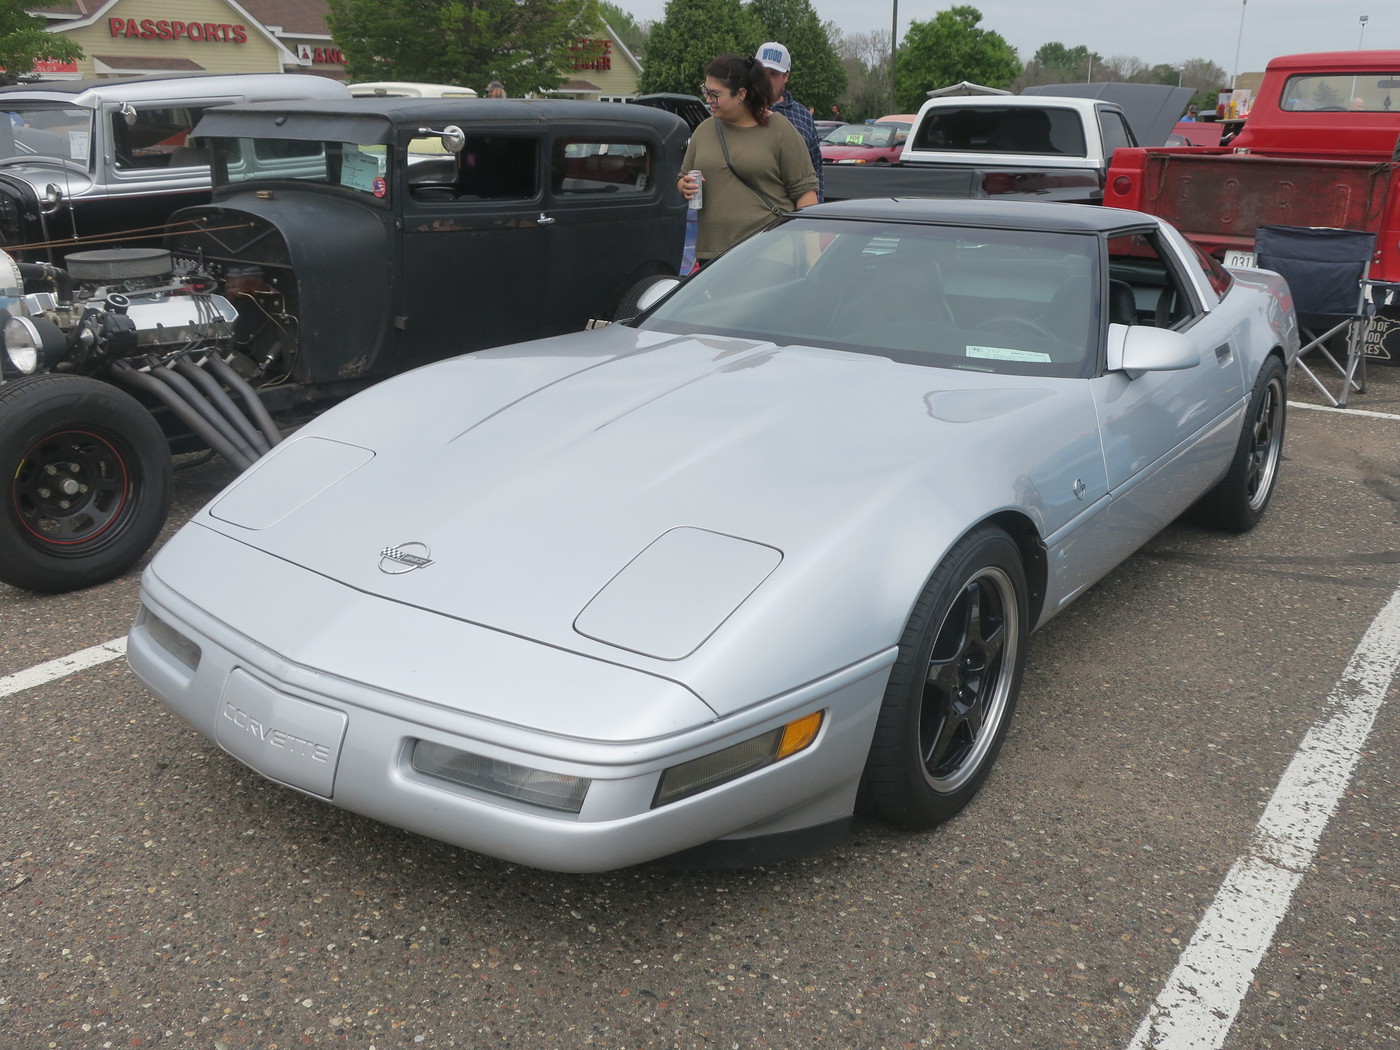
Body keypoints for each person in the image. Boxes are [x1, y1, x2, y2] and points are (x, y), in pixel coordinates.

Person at [676, 54, 818, 267]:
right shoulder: (704, 130)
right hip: (712, 255)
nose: (708, 100)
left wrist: (812, 258)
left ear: (741, 94)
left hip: (769, 253)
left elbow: (806, 194)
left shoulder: (779, 129)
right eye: (705, 91)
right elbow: (682, 177)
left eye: (715, 94)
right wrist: (683, 185)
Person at [755, 41, 824, 202]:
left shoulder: (802, 116)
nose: (766, 80)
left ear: (786, 76)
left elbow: (816, 169)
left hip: (792, 214)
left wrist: (814, 216)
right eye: (762, 73)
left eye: (773, 74)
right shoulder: (741, 111)